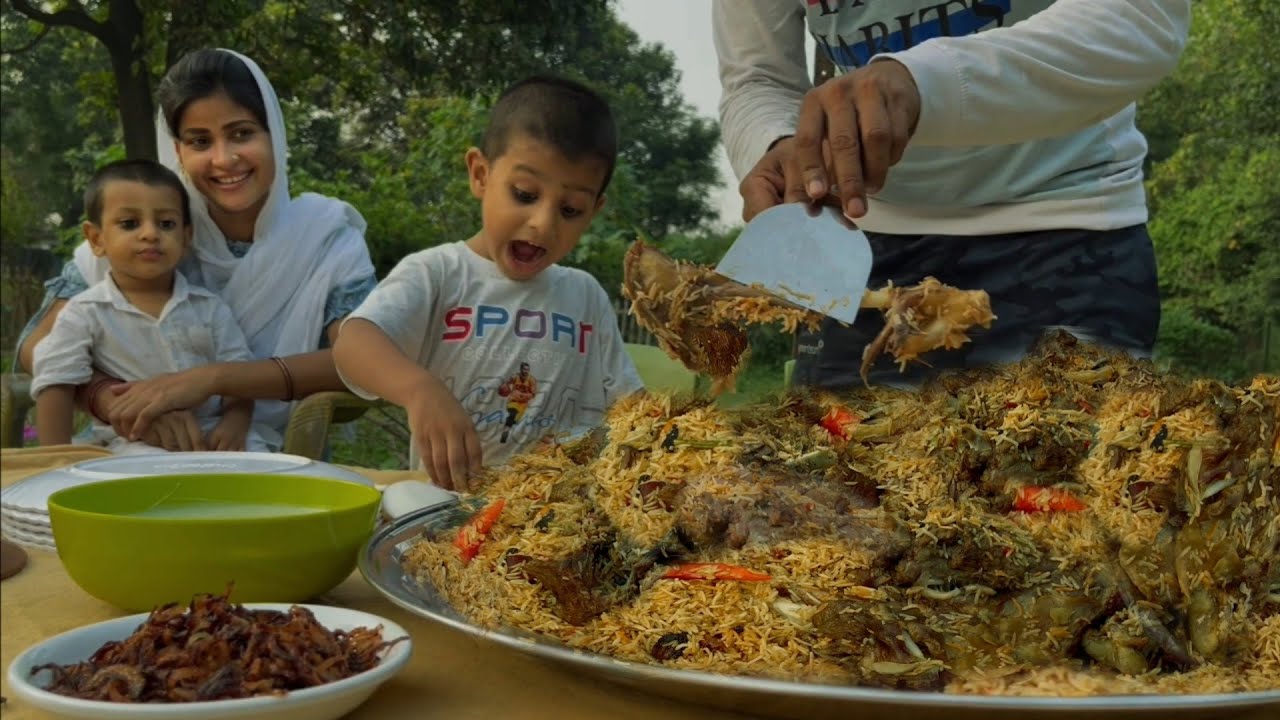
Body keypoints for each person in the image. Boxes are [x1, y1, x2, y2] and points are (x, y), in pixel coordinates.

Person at [712, 0, 1191, 388]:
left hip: (1067, 225)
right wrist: (776, 144)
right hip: (859, 254)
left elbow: (1143, 16)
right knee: (833, 495)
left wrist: (923, 82)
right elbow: (758, 77)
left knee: (1078, 493)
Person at [15, 48, 377, 450]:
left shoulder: (326, 237)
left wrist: (212, 379)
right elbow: (37, 345)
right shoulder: (146, 227)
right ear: (178, 151)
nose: (224, 159)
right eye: (200, 141)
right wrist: (117, 400)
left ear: (274, 133)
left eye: (242, 133)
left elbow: (366, 357)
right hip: (127, 445)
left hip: (260, 449)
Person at [334, 75, 644, 491]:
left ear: (594, 211)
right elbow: (354, 342)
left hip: (562, 519)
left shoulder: (584, 295)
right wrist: (419, 390)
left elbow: (629, 405)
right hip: (447, 512)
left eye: (570, 210)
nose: (543, 223)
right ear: (480, 174)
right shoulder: (439, 273)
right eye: (524, 194)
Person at [31, 159, 273, 453]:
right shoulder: (85, 313)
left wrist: (235, 422)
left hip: (212, 434)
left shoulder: (209, 307)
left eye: (166, 223)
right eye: (130, 223)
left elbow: (238, 374)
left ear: (186, 238)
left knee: (261, 466)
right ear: (96, 239)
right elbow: (56, 381)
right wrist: (54, 462)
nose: (150, 234)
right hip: (133, 440)